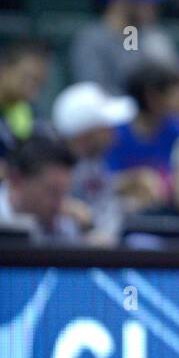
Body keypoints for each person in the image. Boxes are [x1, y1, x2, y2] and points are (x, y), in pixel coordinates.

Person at [69, 0, 179, 94]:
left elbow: (178, 88)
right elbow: (93, 95)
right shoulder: (92, 39)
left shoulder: (155, 38)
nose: (152, 5)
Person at [51, 80, 137, 240]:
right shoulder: (53, 171)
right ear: (85, 135)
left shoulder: (95, 163)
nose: (115, 134)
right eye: (105, 128)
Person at [0, 135, 83, 242]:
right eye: (52, 192)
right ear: (16, 181)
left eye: (64, 193)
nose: (60, 204)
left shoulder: (64, 224)